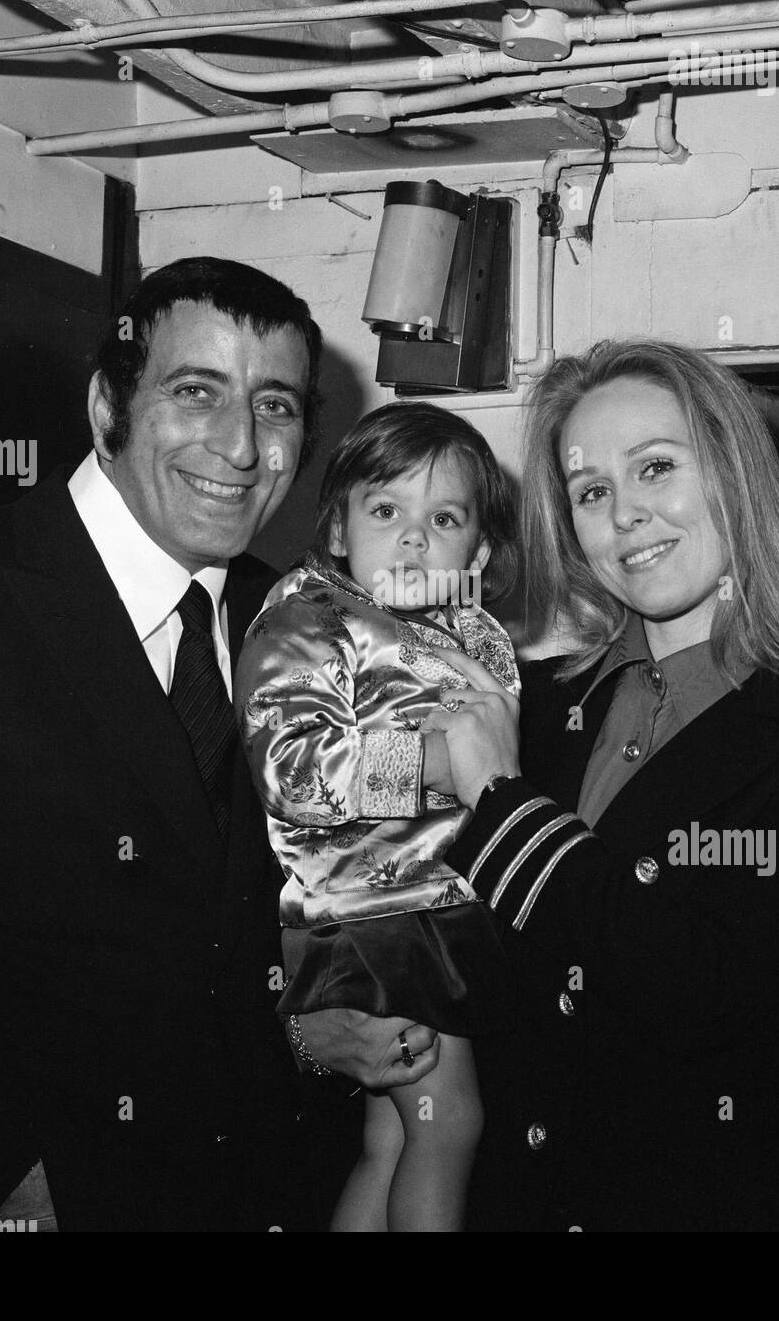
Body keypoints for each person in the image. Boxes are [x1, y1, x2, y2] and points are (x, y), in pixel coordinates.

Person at [0, 257, 436, 1233]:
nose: (241, 446)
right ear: (106, 405)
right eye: (196, 392)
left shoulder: (300, 626)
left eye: (276, 406)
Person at [420, 339, 779, 1231]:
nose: (627, 515)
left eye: (656, 468)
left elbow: (703, 980)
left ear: (734, 476)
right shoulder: (540, 700)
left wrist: (499, 803)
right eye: (593, 492)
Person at [235, 403, 519, 1231]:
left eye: (444, 519)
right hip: (376, 914)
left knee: (394, 1138)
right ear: (336, 527)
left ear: (481, 552)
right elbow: (292, 773)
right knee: (452, 1122)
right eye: (385, 510)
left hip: (426, 908)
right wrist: (436, 766)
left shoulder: (464, 634)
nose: (413, 538)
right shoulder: (312, 621)